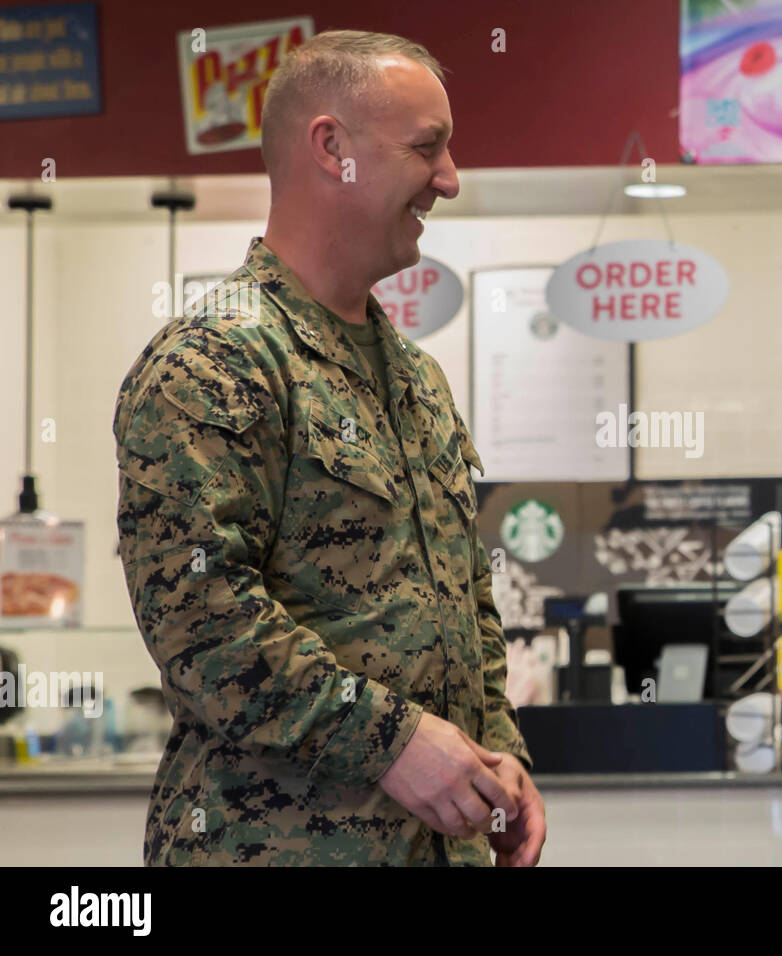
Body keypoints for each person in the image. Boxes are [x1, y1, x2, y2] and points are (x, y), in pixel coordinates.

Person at [113, 30, 545, 866]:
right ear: (331, 148)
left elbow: (465, 596)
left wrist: (500, 757)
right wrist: (392, 742)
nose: (450, 180)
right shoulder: (214, 361)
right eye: (428, 148)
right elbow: (201, 625)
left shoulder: (414, 379)